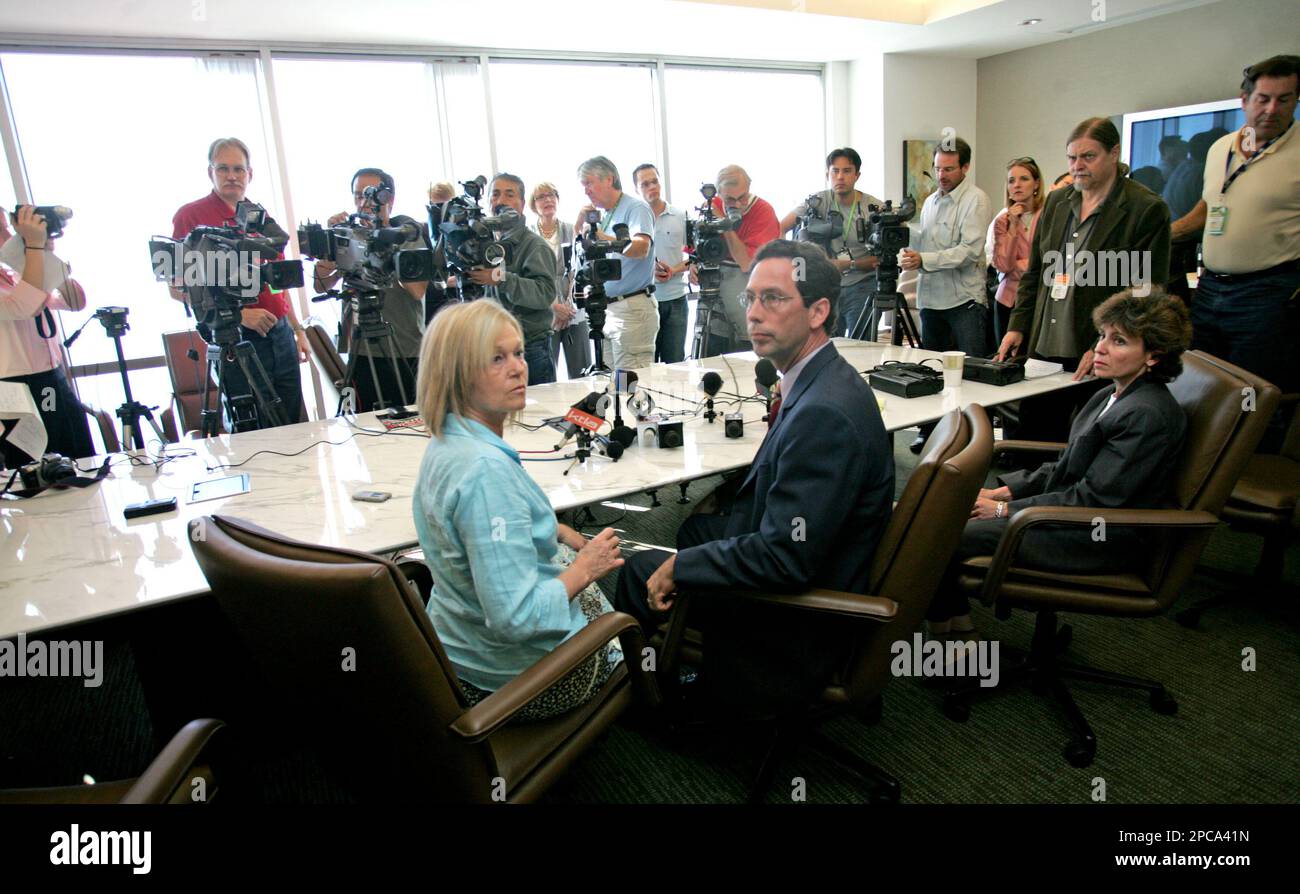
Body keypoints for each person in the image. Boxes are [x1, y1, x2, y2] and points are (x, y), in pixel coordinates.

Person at [614, 240, 894, 715]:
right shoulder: (823, 377)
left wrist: (681, 567)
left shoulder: (823, 413)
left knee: (636, 566)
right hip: (823, 554)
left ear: (818, 311)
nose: (754, 313)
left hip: (794, 612)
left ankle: (658, 706)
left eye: (774, 299)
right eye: (750, 298)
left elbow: (786, 559)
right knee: (695, 528)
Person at [927, 289, 1191, 640]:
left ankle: (952, 637)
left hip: (1099, 534)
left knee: (943, 531)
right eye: (1102, 335)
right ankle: (955, 628)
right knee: (945, 511)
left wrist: (1005, 512)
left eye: (1119, 341)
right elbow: (1069, 464)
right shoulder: (1112, 393)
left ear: (1154, 357)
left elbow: (1094, 500)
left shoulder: (1146, 415)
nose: (1100, 347)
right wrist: (1005, 492)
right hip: (1070, 514)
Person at [411, 299, 626, 721]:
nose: (518, 368)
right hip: (516, 679)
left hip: (458, 651)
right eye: (496, 359)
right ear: (457, 375)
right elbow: (516, 618)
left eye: (518, 353)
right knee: (616, 605)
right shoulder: (486, 474)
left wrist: (555, 530)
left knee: (570, 552)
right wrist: (585, 568)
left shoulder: (448, 443)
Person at [997, 117, 1171, 442]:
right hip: (1046, 342)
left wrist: (1102, 343)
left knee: (1084, 443)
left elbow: (1145, 292)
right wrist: (1017, 326)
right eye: (1071, 158)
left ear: (1114, 153)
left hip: (1095, 345)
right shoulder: (1058, 203)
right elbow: (1035, 272)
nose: (1077, 166)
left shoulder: (1145, 209)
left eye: (1088, 157)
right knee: (1034, 433)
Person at [1171, 54, 1299, 435]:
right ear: (1244, 100)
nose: (1271, 108)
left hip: (1268, 292)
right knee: (1199, 383)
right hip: (1211, 290)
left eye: (1285, 99)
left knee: (1253, 395)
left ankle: (1247, 482)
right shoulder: (1220, 148)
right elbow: (1209, 211)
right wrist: (1154, 238)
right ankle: (1197, 478)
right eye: (1263, 98)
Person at [169, 137, 310, 428]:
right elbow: (177, 286)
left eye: (238, 169)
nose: (232, 176)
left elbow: (277, 281)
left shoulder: (260, 217)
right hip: (235, 334)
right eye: (223, 169)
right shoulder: (191, 216)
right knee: (251, 427)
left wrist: (297, 329)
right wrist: (240, 315)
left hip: (279, 332)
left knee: (293, 422)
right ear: (211, 173)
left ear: (250, 174)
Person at [900, 136, 992, 452]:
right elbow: (926, 246)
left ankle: (975, 440)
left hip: (964, 300)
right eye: (938, 168)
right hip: (932, 300)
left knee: (972, 374)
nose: (942, 175)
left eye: (949, 169)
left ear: (965, 167)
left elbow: (969, 252)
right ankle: (930, 431)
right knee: (930, 372)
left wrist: (924, 260)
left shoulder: (976, 200)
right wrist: (911, 254)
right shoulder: (930, 202)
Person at [312, 167, 428, 413]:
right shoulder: (348, 233)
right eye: (357, 196)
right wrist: (331, 244)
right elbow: (320, 284)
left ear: (389, 199)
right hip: (361, 349)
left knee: (412, 421)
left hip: (404, 347)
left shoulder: (406, 234)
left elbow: (418, 290)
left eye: (371, 195)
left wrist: (384, 246)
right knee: (364, 425)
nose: (363, 203)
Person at [1, 206, 94, 466]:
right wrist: (33, 249)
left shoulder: (16, 271)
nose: (8, 235)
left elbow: (74, 301)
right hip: (13, 388)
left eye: (8, 227)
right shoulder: (22, 271)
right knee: (36, 465)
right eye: (1, 229)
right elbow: (24, 305)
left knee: (74, 450)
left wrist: (45, 255)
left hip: (48, 380)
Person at [464, 173, 561, 386]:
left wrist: (500, 278)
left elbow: (544, 293)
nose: (501, 201)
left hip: (530, 348)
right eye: (495, 194)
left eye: (509, 195)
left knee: (539, 415)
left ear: (522, 204)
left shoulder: (534, 245)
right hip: (494, 347)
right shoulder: (486, 245)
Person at [779, 148, 881, 338]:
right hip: (826, 286)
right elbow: (780, 227)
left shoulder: (873, 208)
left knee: (862, 345)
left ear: (857, 175)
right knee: (824, 345)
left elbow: (883, 259)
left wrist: (848, 264)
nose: (840, 177)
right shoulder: (817, 202)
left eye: (847, 171)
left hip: (861, 284)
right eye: (835, 171)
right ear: (828, 174)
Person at [575, 156, 659, 369]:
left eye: (589, 183)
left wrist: (605, 238)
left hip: (631, 308)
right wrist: (579, 225)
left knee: (630, 386)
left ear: (609, 179)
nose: (586, 190)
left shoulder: (635, 208)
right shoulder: (606, 214)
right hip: (608, 309)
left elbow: (641, 248)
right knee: (611, 385)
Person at [699, 164, 781, 354]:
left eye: (742, 197)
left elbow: (746, 263)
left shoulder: (763, 211)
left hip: (747, 300)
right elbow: (696, 248)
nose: (737, 203)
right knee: (711, 361)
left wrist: (725, 225)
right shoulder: (711, 206)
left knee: (748, 362)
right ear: (718, 193)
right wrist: (696, 266)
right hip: (713, 297)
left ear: (749, 187)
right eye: (729, 199)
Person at [528, 181, 590, 379]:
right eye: (541, 196)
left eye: (552, 195)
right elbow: (529, 278)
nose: (548, 199)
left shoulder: (572, 230)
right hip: (544, 312)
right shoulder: (529, 236)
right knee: (546, 376)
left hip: (573, 310)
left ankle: (585, 411)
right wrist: (555, 306)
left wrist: (567, 306)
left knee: (583, 374)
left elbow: (579, 270)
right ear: (533, 204)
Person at [632, 163, 690, 364]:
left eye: (654, 181)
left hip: (676, 301)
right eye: (645, 184)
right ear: (637, 190)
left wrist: (674, 269)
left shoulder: (680, 215)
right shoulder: (634, 220)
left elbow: (696, 256)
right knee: (642, 366)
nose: (651, 187)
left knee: (675, 364)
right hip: (643, 302)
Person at [985, 157, 1046, 347]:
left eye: (1024, 179)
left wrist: (1020, 267)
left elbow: (1048, 262)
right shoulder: (1002, 220)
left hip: (1038, 298)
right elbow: (1003, 265)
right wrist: (1012, 223)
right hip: (1007, 300)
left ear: (1036, 183)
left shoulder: (1047, 215)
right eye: (1012, 181)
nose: (1017, 185)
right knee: (1006, 361)